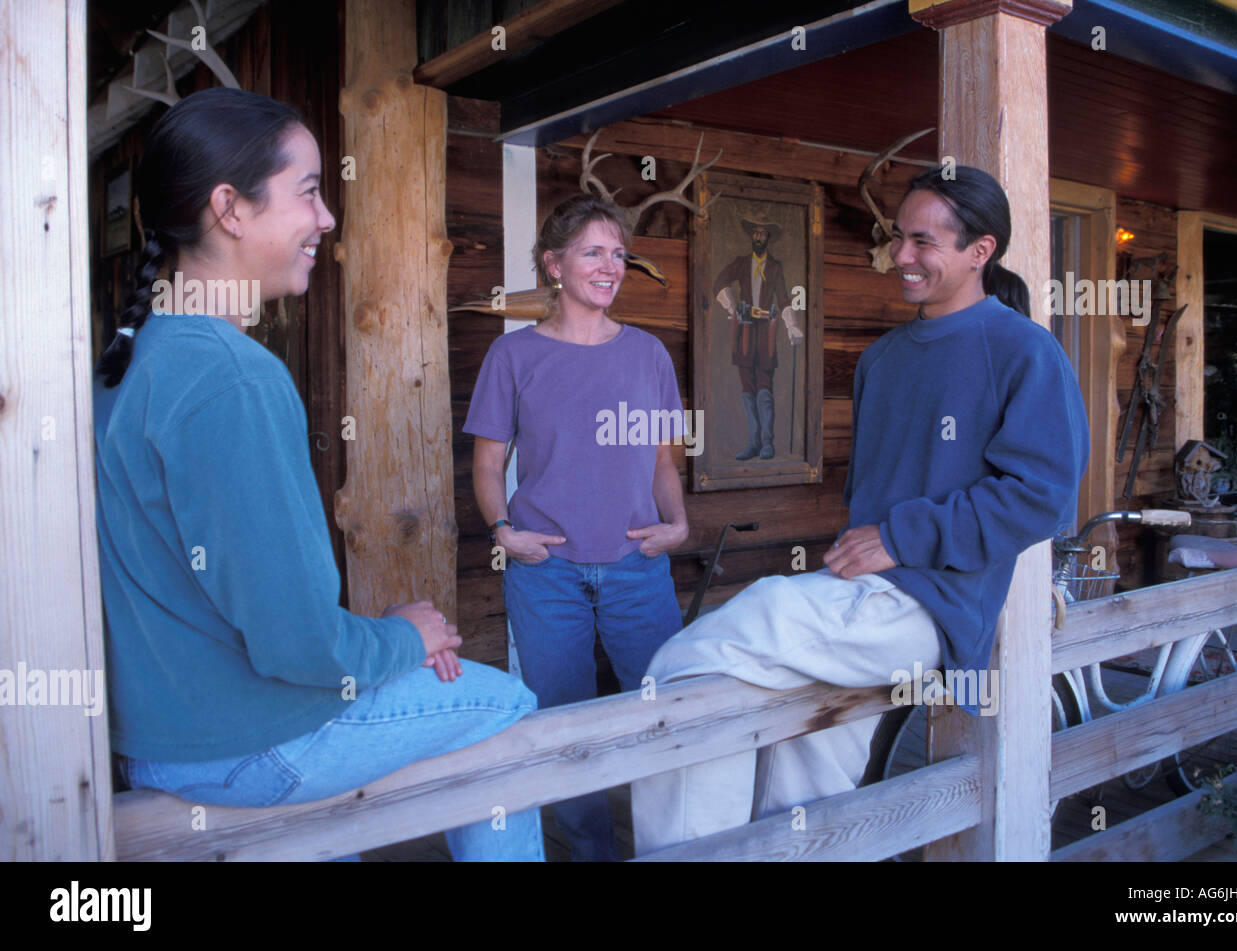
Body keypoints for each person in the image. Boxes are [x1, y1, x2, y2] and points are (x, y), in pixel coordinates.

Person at [94, 87, 543, 861]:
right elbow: (296, 643)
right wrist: (407, 636)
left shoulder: (126, 362)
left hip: (158, 739)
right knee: (505, 702)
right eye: (309, 192)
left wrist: (388, 633)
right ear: (230, 208)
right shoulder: (233, 379)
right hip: (249, 746)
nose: (327, 219)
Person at [631, 165, 1090, 854]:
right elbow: (870, 494)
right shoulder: (882, 359)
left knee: (690, 664)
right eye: (898, 237)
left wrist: (901, 537)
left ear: (979, 251)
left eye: (923, 241)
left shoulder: (1025, 352)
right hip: (857, 594)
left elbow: (1041, 496)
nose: (900, 256)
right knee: (804, 765)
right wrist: (868, 546)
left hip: (928, 603)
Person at [466, 194, 689, 861]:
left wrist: (677, 521)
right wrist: (503, 529)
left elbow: (662, 461)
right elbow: (486, 464)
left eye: (618, 254)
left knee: (666, 711)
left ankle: (672, 843)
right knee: (564, 728)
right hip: (546, 572)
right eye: (593, 251)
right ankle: (592, 852)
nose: (610, 266)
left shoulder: (648, 354)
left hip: (637, 568)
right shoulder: (513, 357)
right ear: (553, 264)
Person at [711, 214, 803, 459]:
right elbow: (719, 282)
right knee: (747, 389)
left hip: (765, 334)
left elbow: (783, 299)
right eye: (755, 232)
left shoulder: (774, 267)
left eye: (762, 233)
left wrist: (792, 326)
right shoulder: (741, 263)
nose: (758, 237)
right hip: (744, 331)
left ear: (768, 238)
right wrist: (735, 307)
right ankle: (753, 442)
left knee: (764, 387)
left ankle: (768, 444)